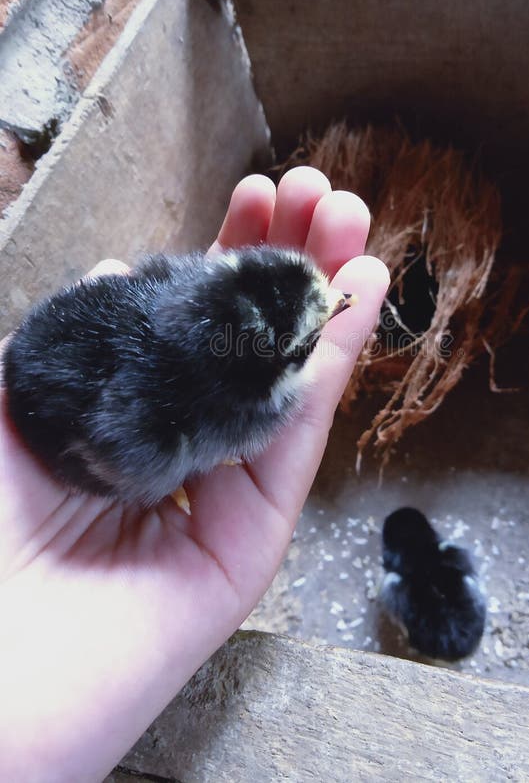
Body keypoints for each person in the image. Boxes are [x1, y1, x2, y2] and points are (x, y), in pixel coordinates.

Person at [0, 166, 389, 782]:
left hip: (51, 355)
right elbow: (117, 426)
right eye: (316, 332)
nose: (339, 308)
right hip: (51, 408)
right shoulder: (160, 434)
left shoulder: (176, 285)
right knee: (142, 451)